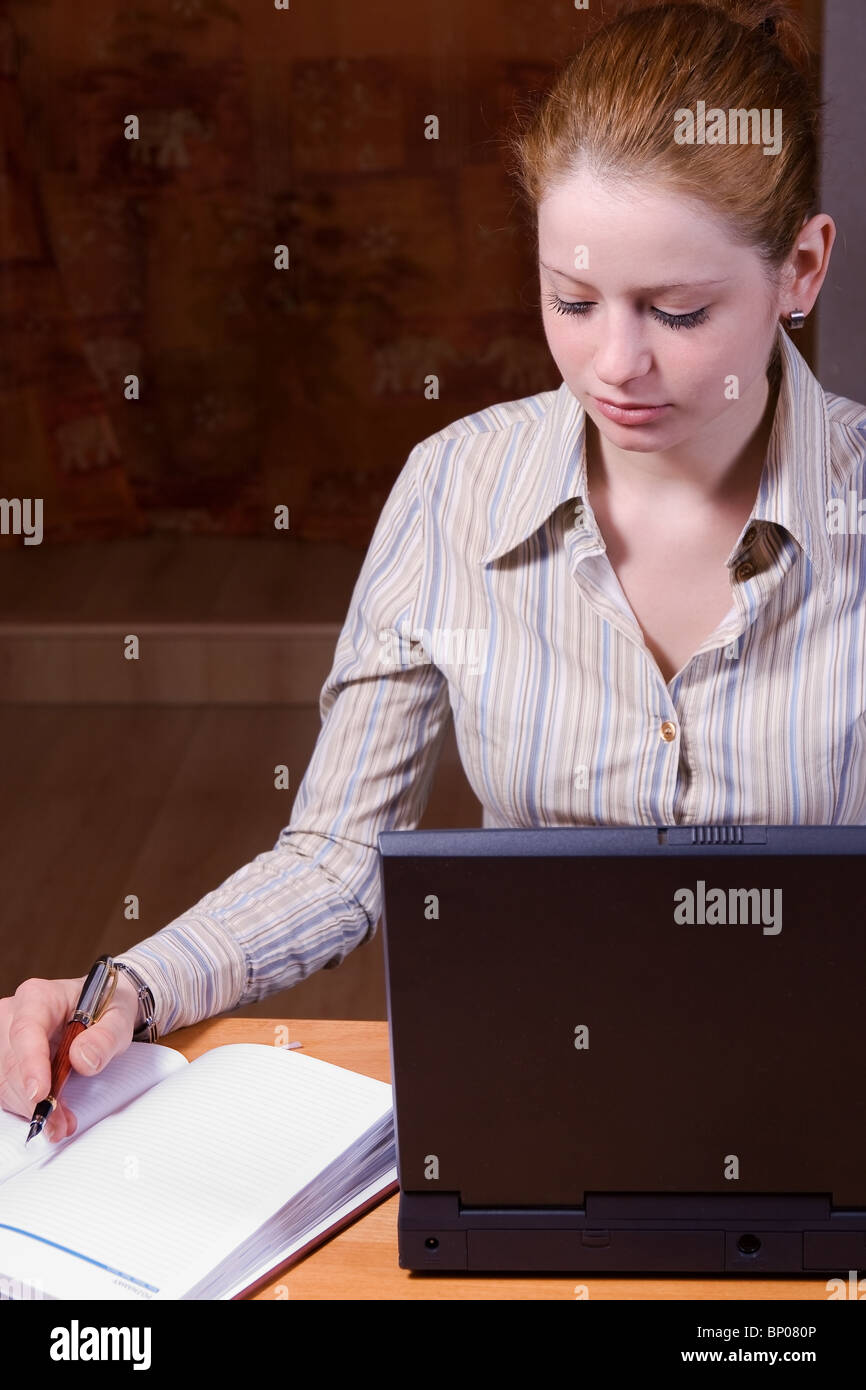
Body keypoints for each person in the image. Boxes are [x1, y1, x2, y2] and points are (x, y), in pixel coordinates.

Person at [3, 0, 864, 1142]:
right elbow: (337, 856)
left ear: (799, 269)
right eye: (571, 299)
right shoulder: (454, 490)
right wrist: (134, 984)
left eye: (678, 309)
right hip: (542, 1100)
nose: (614, 362)